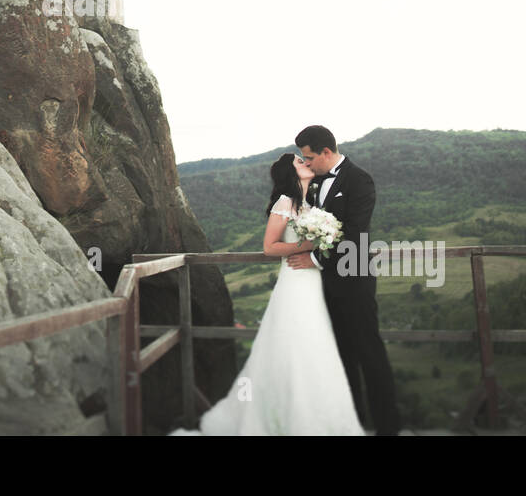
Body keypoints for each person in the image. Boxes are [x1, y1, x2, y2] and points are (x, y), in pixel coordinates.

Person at [170, 153, 365, 435]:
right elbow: (270, 247)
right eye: (300, 162)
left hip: (312, 283)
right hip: (294, 282)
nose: (306, 163)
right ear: (291, 172)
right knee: (292, 344)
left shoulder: (309, 203)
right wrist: (306, 246)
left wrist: (317, 245)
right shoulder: (285, 202)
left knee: (315, 344)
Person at [288, 125, 401, 435]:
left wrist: (312, 258)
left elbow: (355, 234)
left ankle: (388, 427)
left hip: (354, 280)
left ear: (327, 151)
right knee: (340, 355)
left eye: (309, 157)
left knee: (369, 352)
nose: (306, 163)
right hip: (322, 286)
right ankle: (353, 424)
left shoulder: (359, 179)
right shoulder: (311, 184)